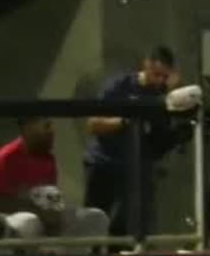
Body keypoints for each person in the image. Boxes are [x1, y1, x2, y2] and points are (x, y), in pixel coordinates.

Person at [84, 46, 199, 236]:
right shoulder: (121, 86)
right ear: (146, 65)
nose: (160, 80)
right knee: (94, 222)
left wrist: (174, 92)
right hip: (105, 164)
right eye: (157, 74)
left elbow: (163, 137)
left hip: (136, 169)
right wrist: (127, 121)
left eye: (165, 76)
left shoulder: (165, 95)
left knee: (128, 227)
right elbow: (93, 125)